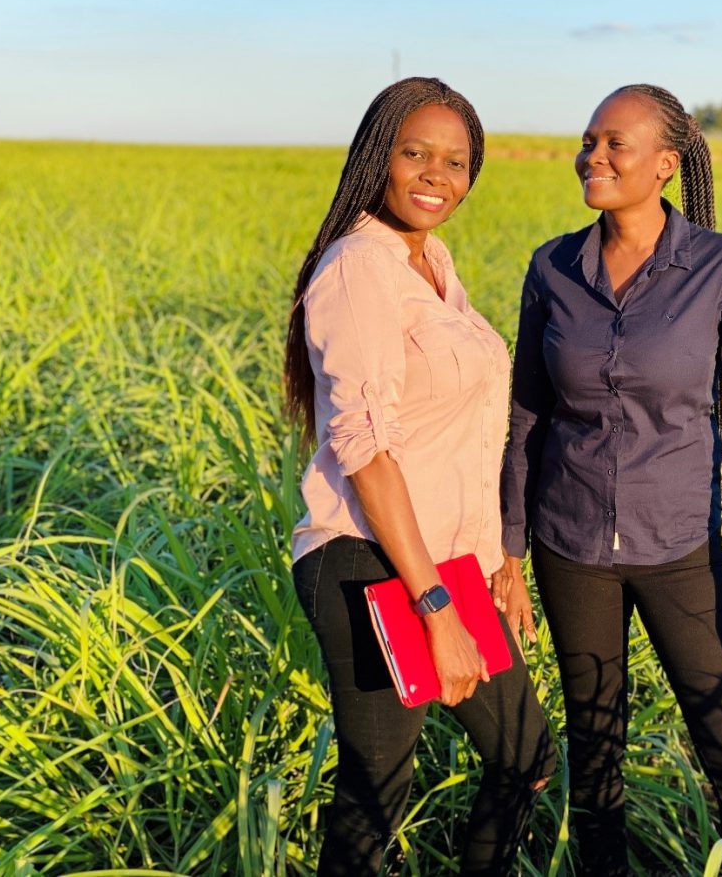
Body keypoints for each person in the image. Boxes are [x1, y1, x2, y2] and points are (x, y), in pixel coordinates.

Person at [495, 84, 722, 875]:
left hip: (680, 553)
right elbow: (525, 416)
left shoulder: (721, 267)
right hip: (569, 548)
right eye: (587, 141)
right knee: (594, 753)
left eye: (614, 144)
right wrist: (510, 551)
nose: (592, 157)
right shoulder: (552, 267)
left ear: (665, 166)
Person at [283, 77, 555, 877]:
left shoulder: (430, 259)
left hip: (442, 561)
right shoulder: (359, 267)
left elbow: (461, 436)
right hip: (367, 560)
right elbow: (367, 451)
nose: (437, 174)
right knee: (377, 794)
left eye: (456, 160)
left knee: (525, 752)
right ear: (379, 158)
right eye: (415, 154)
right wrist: (434, 604)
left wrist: (495, 559)